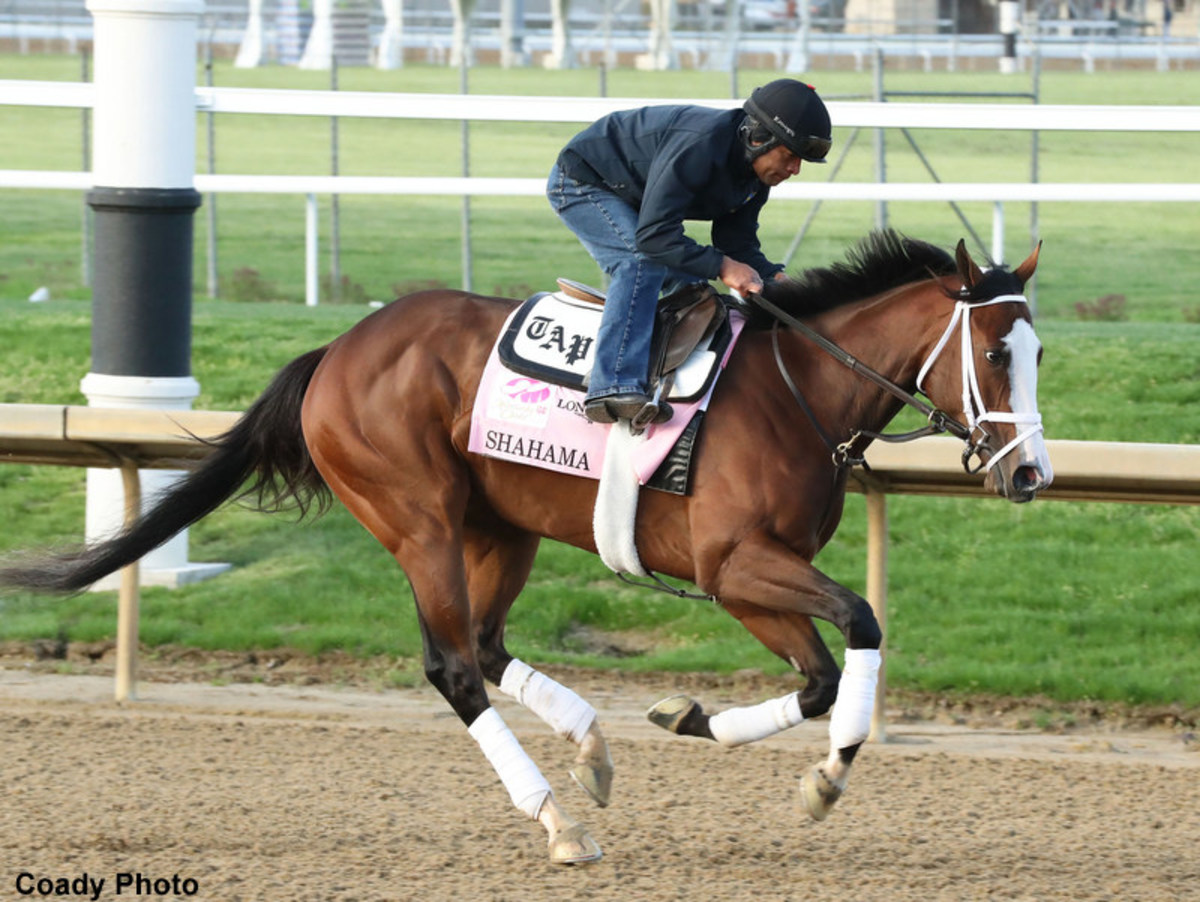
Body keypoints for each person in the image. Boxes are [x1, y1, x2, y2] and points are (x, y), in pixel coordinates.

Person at [546, 78, 832, 427]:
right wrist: (724, 266)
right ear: (758, 138)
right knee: (641, 263)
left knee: (693, 288)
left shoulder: (754, 178)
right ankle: (612, 385)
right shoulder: (701, 145)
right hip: (585, 181)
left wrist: (772, 277)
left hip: (638, 200)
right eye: (789, 156)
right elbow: (654, 237)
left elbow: (737, 245)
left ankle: (667, 383)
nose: (795, 170)